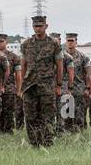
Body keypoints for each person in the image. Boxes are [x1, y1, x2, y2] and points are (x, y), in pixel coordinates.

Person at [20, 16, 62, 147]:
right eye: (35, 26)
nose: (38, 28)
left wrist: (59, 85)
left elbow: (59, 65)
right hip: (30, 85)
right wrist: (22, 85)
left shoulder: (54, 43)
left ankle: (47, 142)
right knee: (31, 115)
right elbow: (23, 65)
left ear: (46, 26)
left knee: (47, 115)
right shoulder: (26, 44)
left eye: (40, 26)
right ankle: (34, 143)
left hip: (47, 85)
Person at [0, 34, 21, 134]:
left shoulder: (13, 57)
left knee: (8, 110)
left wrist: (18, 89)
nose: (0, 43)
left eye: (2, 41)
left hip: (9, 87)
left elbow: (18, 74)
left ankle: (8, 130)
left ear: (6, 42)